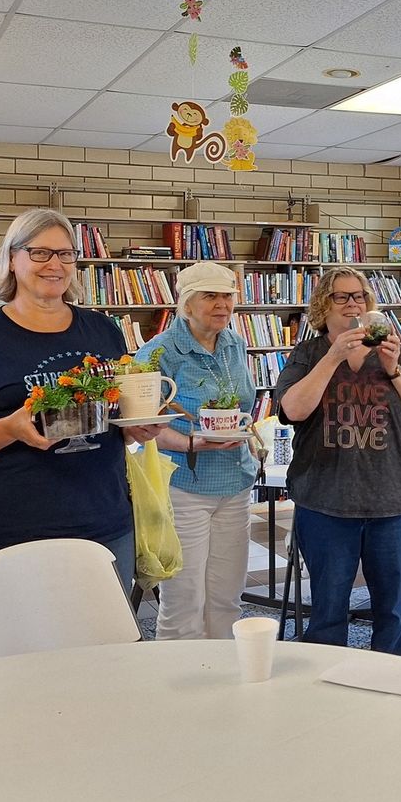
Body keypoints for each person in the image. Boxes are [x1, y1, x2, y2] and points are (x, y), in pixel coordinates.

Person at [0, 209, 156, 595]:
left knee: (105, 651)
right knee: (19, 653)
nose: (55, 264)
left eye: (66, 254)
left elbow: (120, 420)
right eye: (40, 253)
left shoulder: (103, 330)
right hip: (11, 533)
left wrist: (138, 428)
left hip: (104, 524)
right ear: (12, 260)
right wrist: (8, 428)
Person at [273, 268, 401, 655]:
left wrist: (395, 369)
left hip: (390, 500)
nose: (353, 305)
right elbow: (292, 409)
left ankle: (393, 679)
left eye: (360, 296)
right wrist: (332, 359)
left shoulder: (393, 352)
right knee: (328, 605)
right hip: (325, 500)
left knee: (395, 608)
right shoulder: (310, 354)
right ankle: (323, 678)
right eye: (342, 297)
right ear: (322, 307)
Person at [139, 261, 257, 640]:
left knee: (227, 599)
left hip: (235, 483)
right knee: (184, 601)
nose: (222, 305)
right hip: (184, 487)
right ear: (187, 304)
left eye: (228, 296)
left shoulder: (235, 344)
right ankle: (177, 690)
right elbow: (143, 428)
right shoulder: (159, 354)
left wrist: (244, 432)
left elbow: (243, 402)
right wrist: (191, 442)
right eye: (211, 296)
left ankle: (225, 681)